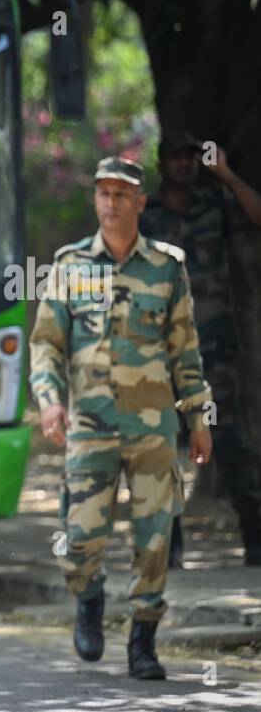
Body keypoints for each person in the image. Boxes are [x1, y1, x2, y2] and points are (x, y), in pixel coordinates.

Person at [29, 157, 213, 680]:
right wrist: (49, 401)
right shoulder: (70, 265)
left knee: (154, 536)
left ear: (141, 202)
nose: (112, 202)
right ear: (95, 199)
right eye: (104, 192)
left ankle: (143, 639)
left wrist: (198, 417)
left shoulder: (166, 266)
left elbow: (186, 350)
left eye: (123, 193)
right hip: (89, 424)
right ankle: (88, 598)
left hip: (154, 428)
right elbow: (45, 346)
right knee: (79, 537)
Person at [139, 131, 261, 566]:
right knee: (163, 445)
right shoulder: (145, 216)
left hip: (213, 350)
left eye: (191, 157)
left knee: (227, 439)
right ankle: (170, 546)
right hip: (160, 353)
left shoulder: (215, 206)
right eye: (176, 157)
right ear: (162, 162)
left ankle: (255, 538)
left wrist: (225, 174)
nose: (184, 165)